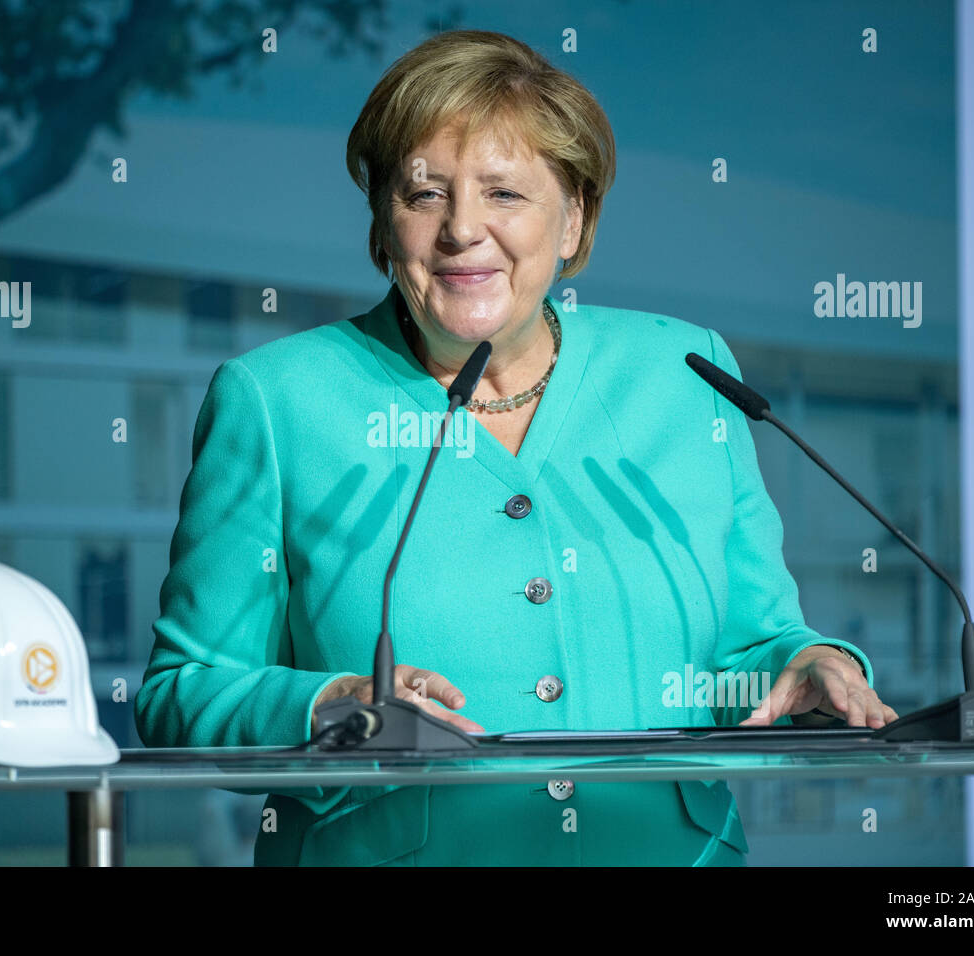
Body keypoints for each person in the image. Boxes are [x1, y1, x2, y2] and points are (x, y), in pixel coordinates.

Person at [135, 29, 897, 866]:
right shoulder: (278, 401)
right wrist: (326, 705)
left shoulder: (688, 374)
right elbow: (184, 692)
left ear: (574, 218)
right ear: (383, 223)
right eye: (424, 194)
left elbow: (752, 644)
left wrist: (808, 663)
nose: (463, 229)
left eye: (504, 193)